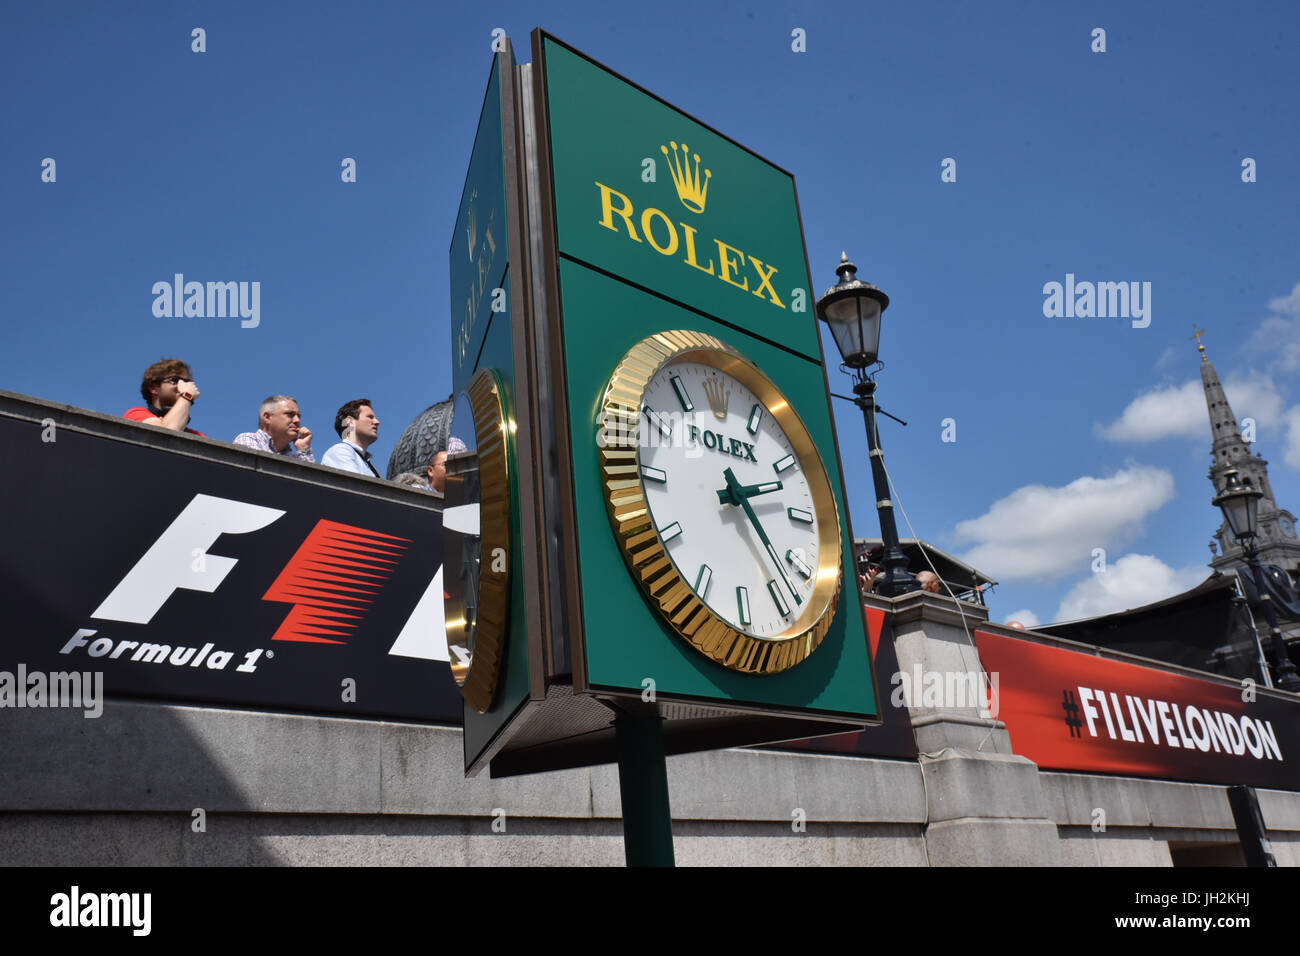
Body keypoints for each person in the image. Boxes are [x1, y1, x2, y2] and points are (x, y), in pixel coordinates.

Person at [124, 359, 204, 436]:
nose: (182, 385)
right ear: (154, 389)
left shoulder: (198, 436)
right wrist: (187, 395)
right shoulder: (136, 414)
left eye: (186, 382)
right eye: (175, 380)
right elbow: (166, 435)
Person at [233, 395, 314, 461]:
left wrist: (303, 449)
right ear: (267, 417)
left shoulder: (294, 457)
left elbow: (312, 479)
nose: (297, 420)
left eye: (299, 416)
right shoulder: (247, 439)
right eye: (289, 414)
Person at [320, 398, 382, 476]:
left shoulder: (372, 467)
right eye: (370, 417)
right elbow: (355, 486)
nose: (377, 422)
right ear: (349, 421)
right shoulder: (340, 451)